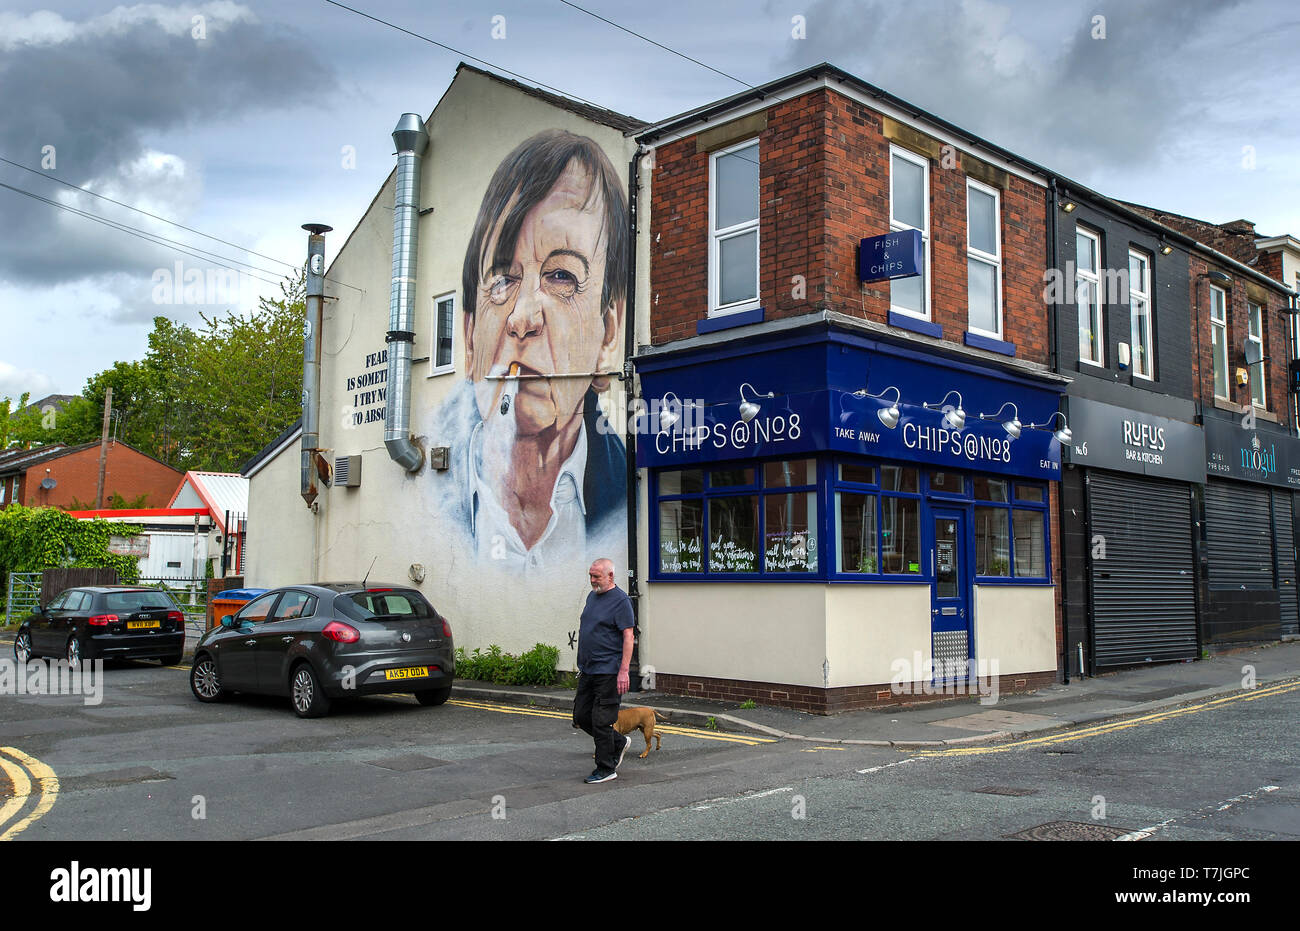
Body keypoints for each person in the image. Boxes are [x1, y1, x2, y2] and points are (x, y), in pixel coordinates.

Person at [427, 129, 628, 571]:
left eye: (561, 277)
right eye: (502, 280)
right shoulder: (429, 496)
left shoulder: (627, 496)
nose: (522, 317)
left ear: (608, 334)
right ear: (469, 332)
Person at [573, 557, 635, 783]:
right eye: (590, 575)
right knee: (581, 716)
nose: (592, 580)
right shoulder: (592, 596)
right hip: (588, 669)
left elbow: (628, 636)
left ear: (610, 576)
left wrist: (624, 671)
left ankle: (606, 768)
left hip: (609, 671)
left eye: (596, 576)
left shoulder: (621, 601)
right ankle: (617, 742)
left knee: (601, 720)